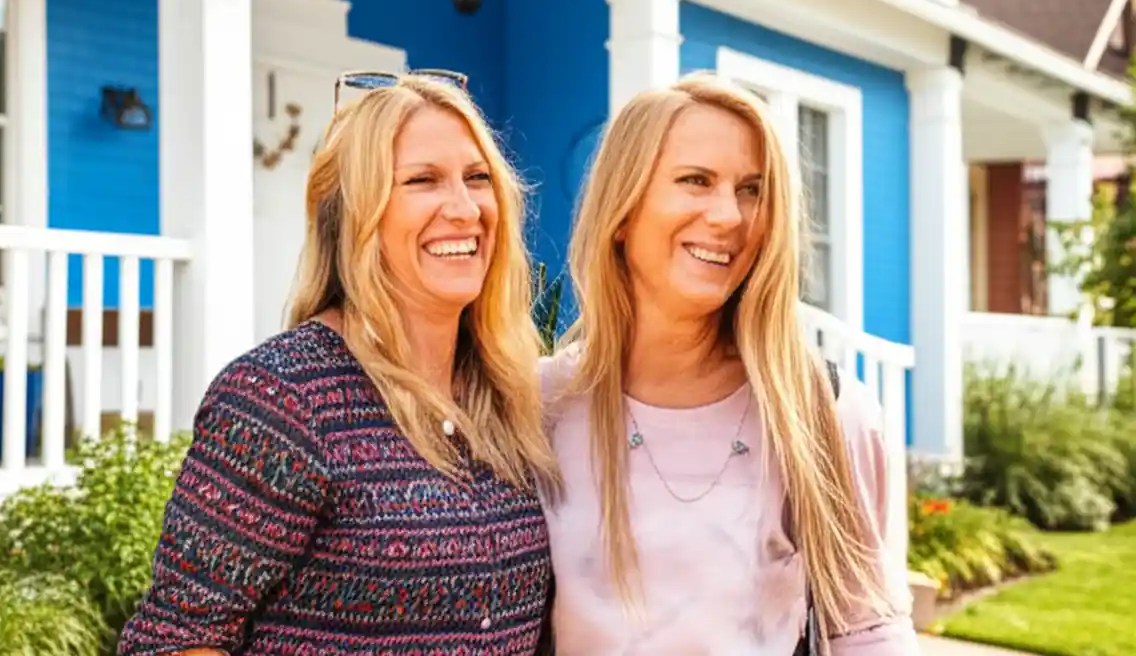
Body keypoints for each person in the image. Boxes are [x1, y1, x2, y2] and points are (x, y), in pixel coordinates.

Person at [117, 70, 559, 655]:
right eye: (423, 180)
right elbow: (174, 640)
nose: (464, 208)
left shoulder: (512, 397)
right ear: (353, 216)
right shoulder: (281, 397)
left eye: (478, 178)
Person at [538, 72, 919, 655]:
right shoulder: (539, 408)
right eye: (696, 181)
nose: (730, 217)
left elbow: (869, 633)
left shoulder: (821, 412)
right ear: (621, 210)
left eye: (751, 190)